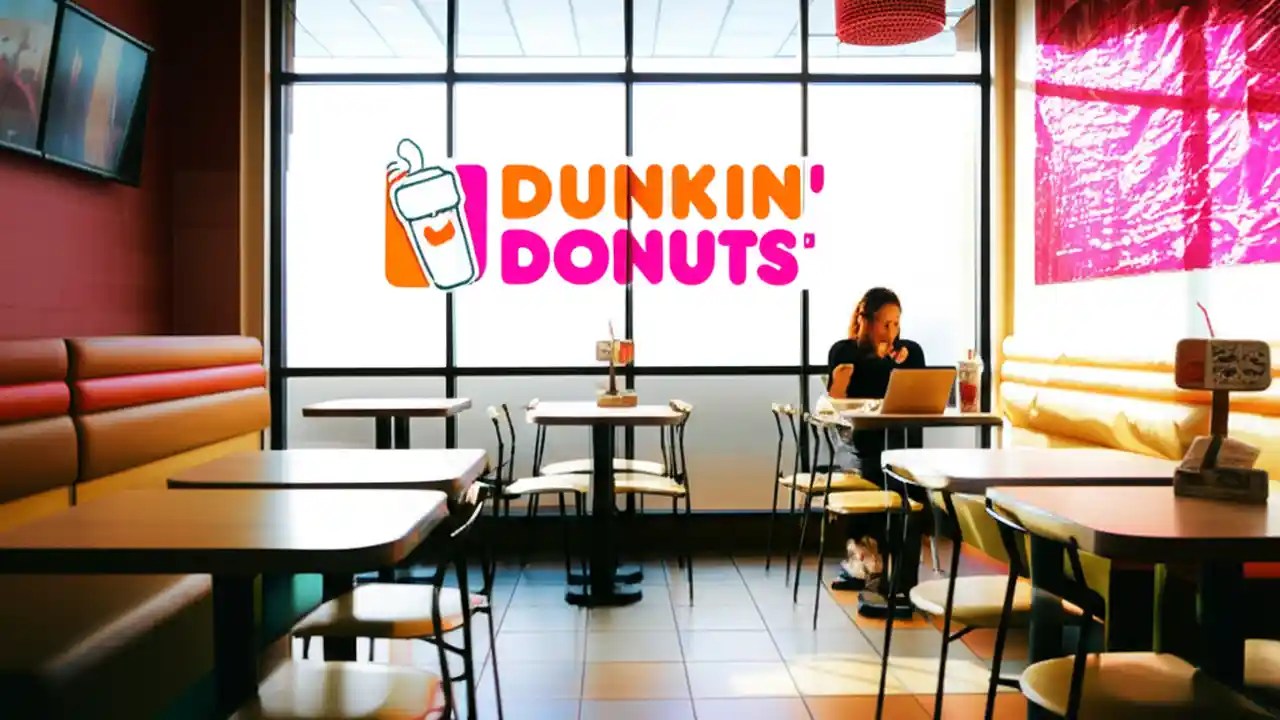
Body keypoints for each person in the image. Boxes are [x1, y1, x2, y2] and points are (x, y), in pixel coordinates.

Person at [824, 287, 925, 591]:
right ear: (865, 321)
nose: (891, 332)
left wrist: (896, 363)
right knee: (877, 473)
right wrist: (884, 363)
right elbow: (837, 401)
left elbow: (919, 394)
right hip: (860, 444)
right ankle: (873, 564)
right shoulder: (844, 352)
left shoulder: (910, 352)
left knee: (909, 478)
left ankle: (896, 577)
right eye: (885, 324)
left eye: (896, 324)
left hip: (901, 445)